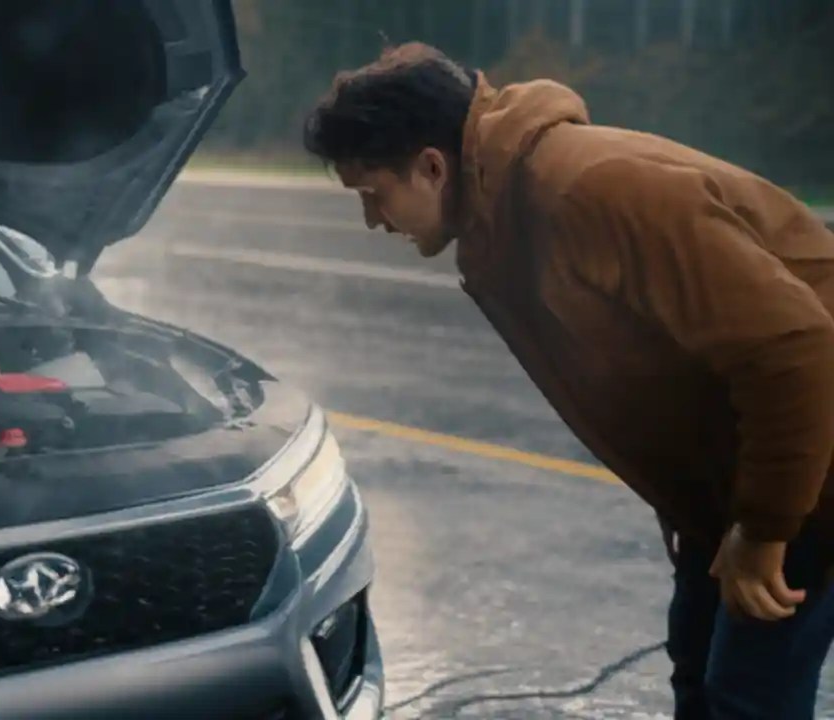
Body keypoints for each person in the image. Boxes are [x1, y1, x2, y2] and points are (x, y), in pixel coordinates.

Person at [302, 42, 834, 719]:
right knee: (700, 675)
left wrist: (765, 529)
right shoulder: (507, 211)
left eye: (374, 196)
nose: (374, 221)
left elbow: (794, 346)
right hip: (739, 484)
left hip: (810, 461)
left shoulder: (587, 190)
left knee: (744, 701)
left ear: (432, 166)